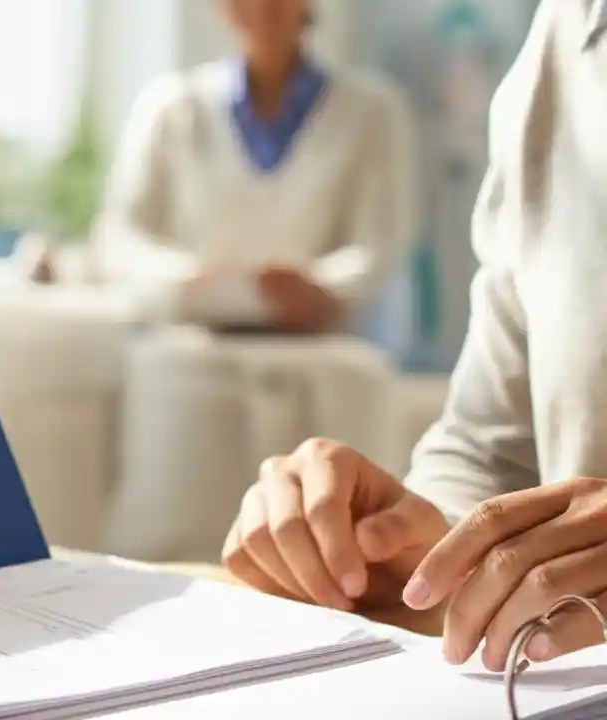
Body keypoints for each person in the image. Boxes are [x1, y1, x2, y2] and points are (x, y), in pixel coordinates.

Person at [222, 0, 607, 673]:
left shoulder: (368, 109)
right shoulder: (564, 39)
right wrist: (418, 548)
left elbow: (375, 245)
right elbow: (490, 447)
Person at [93, 0, 416, 333]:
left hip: (317, 359)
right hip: (189, 357)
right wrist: (184, 279)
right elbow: (119, 237)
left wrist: (319, 290)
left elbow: (378, 244)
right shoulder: (170, 109)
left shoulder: (372, 114)